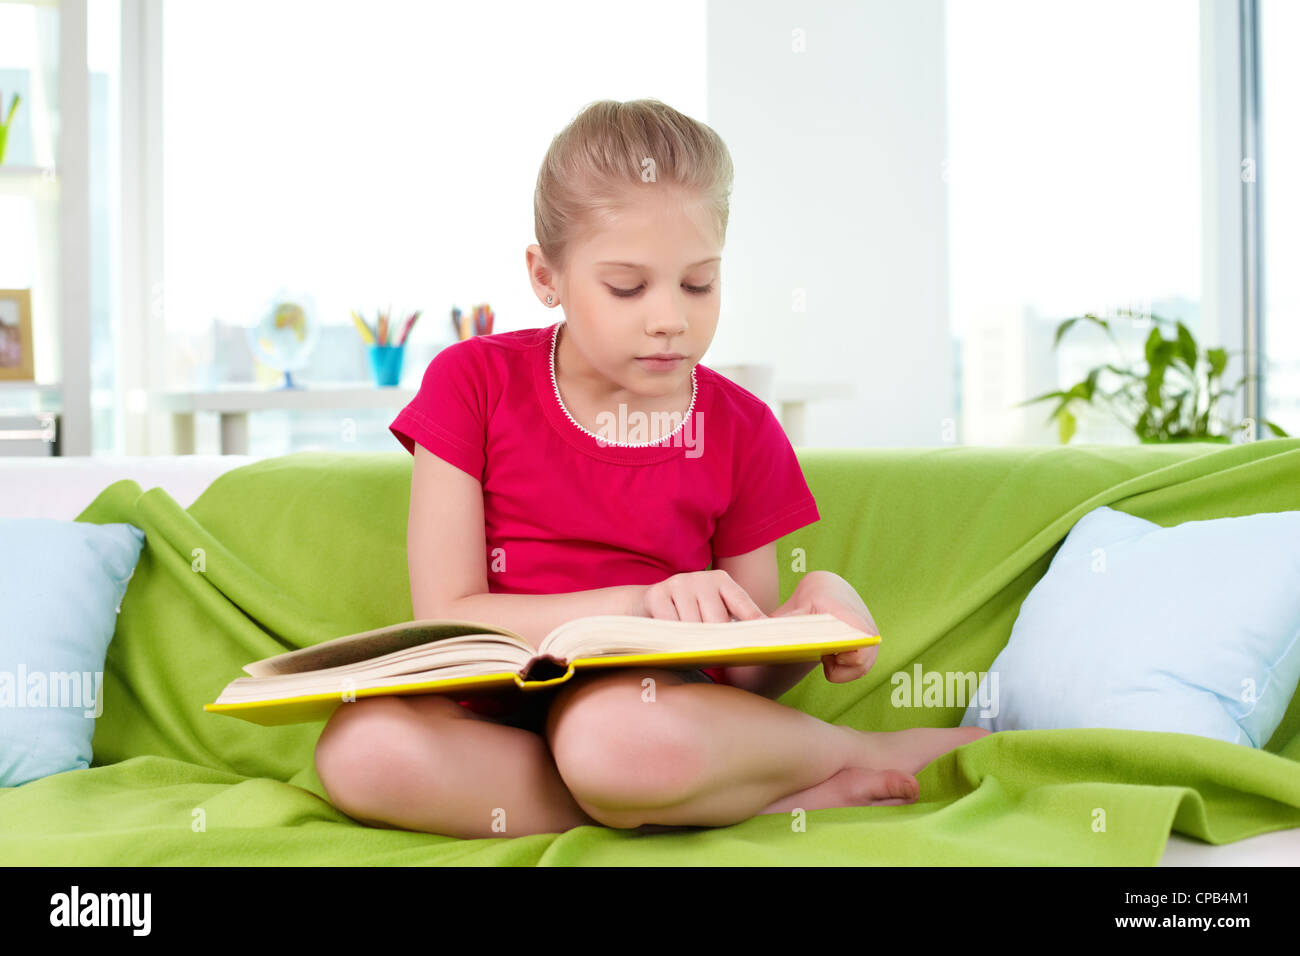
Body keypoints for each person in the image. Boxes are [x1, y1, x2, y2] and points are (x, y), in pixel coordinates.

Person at [314, 98, 988, 838]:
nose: (670, 318)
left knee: (608, 743)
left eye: (699, 283)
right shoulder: (472, 382)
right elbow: (449, 616)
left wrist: (814, 628)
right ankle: (751, 796)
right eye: (628, 287)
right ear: (547, 276)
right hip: (490, 720)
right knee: (358, 750)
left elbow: (742, 672)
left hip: (646, 716)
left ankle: (848, 754)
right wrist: (638, 604)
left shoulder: (740, 429)